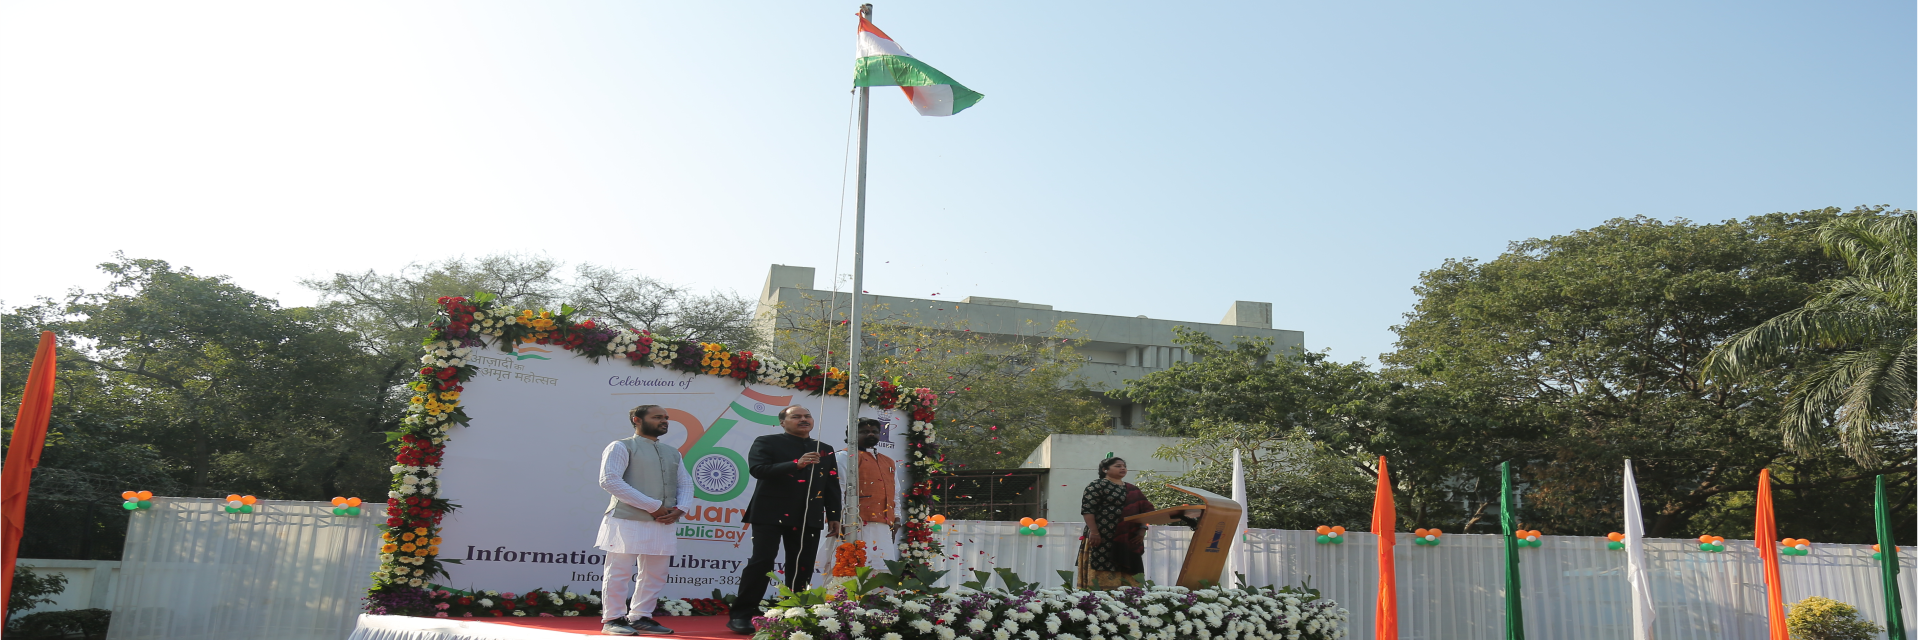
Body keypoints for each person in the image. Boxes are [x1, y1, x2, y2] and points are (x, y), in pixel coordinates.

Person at [728, 405, 842, 635]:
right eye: (796, 416)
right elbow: (758, 469)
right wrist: (795, 464)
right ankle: (741, 615)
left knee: (802, 565)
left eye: (807, 416)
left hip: (809, 515)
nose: (803, 419)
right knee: (762, 562)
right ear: (782, 422)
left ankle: (795, 613)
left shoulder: (825, 450)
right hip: (770, 511)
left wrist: (834, 515)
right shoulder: (767, 442)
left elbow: (831, 485)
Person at [597, 404, 694, 635]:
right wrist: (654, 506)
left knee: (655, 572)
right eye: (657, 417)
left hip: (663, 521)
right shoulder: (621, 446)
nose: (664, 421)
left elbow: (686, 483)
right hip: (626, 518)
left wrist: (681, 508)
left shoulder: (673, 452)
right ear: (637, 419)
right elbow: (609, 480)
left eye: (666, 418)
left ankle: (641, 616)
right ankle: (613, 619)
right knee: (619, 570)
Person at [1076, 456, 1160, 590]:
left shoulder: (1132, 489)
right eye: (1118, 466)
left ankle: (1130, 601)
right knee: (1103, 565)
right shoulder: (1097, 485)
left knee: (1131, 570)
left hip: (1128, 538)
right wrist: (1094, 532)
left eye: (1124, 466)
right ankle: (1100, 600)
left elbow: (1147, 510)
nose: (1123, 468)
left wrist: (1142, 529)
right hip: (1102, 536)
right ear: (1105, 469)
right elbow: (1088, 510)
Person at [830, 418, 899, 572]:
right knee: (851, 567)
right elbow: (838, 490)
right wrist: (838, 519)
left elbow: (895, 493)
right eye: (864, 432)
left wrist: (897, 518)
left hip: (883, 524)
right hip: (853, 523)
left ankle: (877, 597)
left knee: (881, 568)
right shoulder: (843, 456)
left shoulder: (888, 461)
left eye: (874, 431)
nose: (871, 434)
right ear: (851, 434)